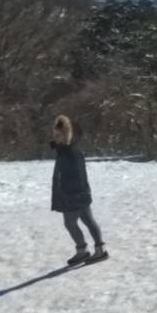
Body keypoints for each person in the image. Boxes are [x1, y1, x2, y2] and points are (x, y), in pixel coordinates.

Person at [49, 114, 107, 266]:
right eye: (54, 135)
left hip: (74, 194)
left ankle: (85, 251)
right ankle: (97, 250)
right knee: (87, 220)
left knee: (71, 223)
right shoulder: (64, 150)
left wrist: (73, 193)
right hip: (73, 194)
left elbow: (80, 176)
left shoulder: (72, 152)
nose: (55, 138)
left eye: (58, 135)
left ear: (66, 134)